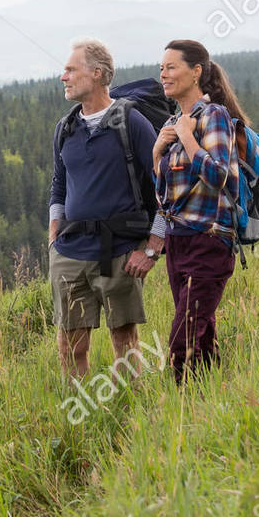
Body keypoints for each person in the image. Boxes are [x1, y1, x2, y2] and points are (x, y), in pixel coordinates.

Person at [49, 39, 165, 379]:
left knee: (124, 341)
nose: (64, 77)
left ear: (97, 74)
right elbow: (59, 182)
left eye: (71, 70)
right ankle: (79, 421)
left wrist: (153, 249)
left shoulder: (133, 123)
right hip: (70, 252)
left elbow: (165, 188)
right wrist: (54, 232)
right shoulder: (65, 127)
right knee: (71, 345)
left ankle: (129, 410)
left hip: (120, 251)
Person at [153, 39, 246, 382]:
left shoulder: (214, 116)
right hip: (178, 242)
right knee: (200, 336)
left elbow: (219, 176)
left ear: (195, 73)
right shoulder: (175, 121)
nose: (163, 74)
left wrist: (187, 138)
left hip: (209, 239)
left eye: (171, 67)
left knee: (183, 339)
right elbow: (165, 198)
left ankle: (178, 414)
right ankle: (212, 402)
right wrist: (156, 151)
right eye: (161, 68)